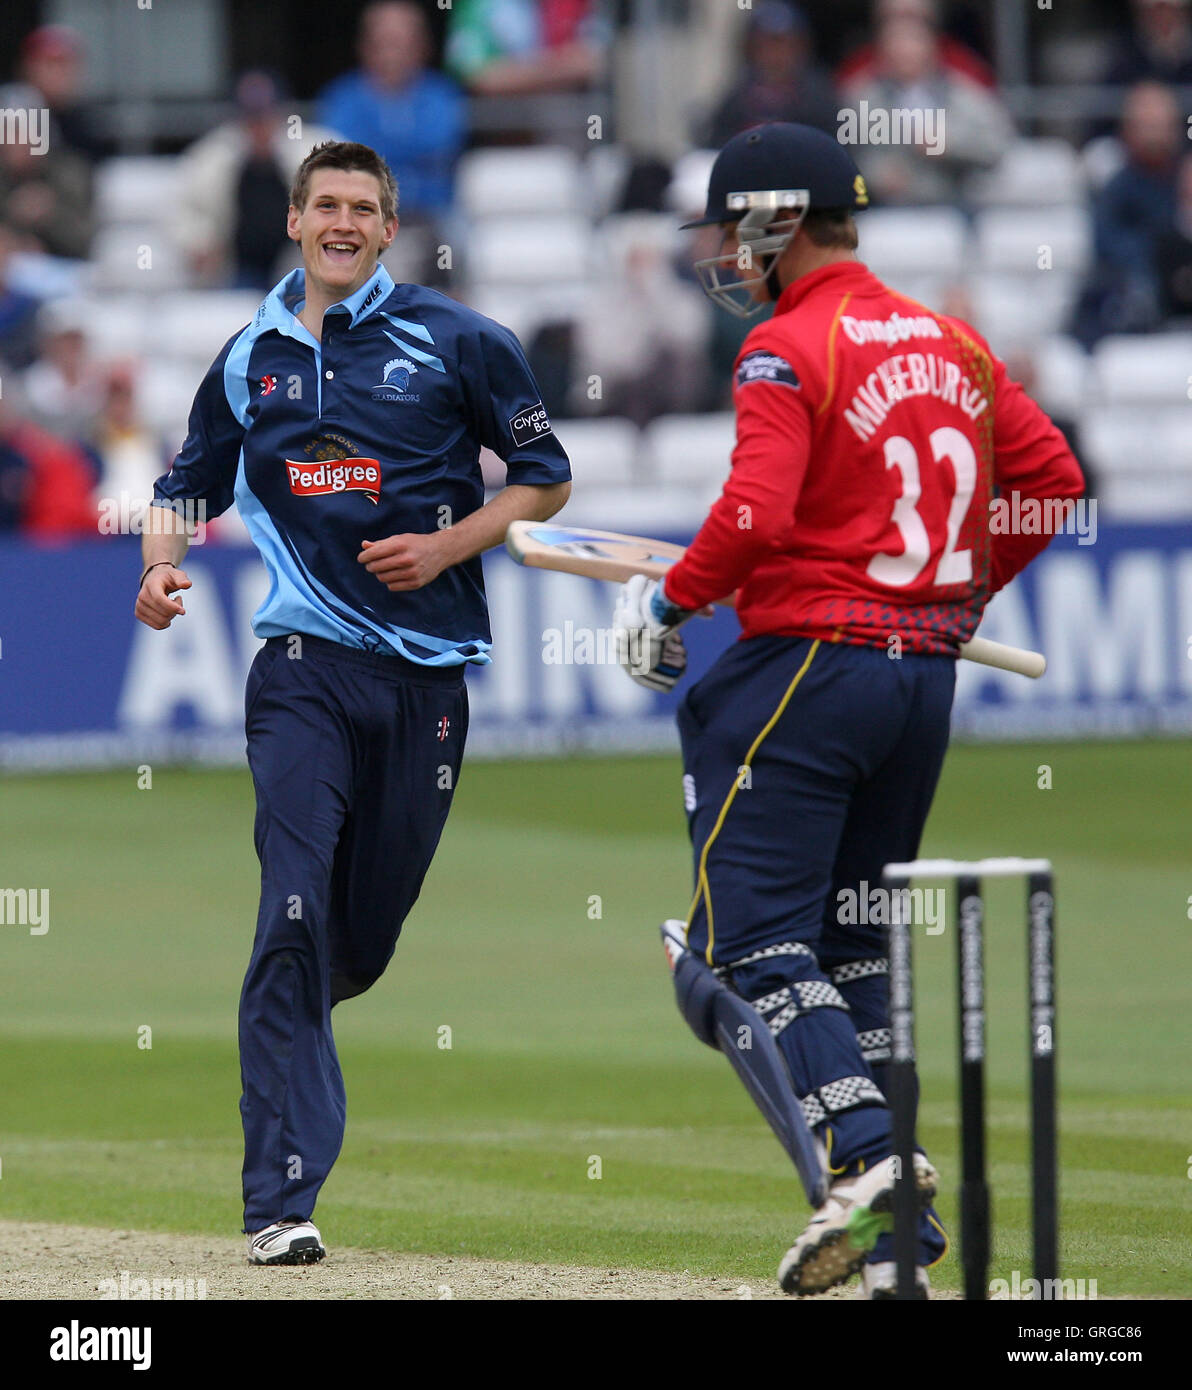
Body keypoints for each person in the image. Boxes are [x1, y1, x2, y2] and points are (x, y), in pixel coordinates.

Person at [612, 123, 1083, 1298]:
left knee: (758, 944)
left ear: (774, 222)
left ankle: (873, 1165)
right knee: (854, 943)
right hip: (916, 684)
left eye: (731, 228)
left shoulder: (785, 347)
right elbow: (1052, 482)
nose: (722, 251)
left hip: (808, 672)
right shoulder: (952, 340)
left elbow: (758, 511)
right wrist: (960, 594)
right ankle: (898, 1241)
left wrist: (668, 604)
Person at [134, 139, 571, 1266]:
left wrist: (448, 546)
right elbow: (185, 483)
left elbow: (544, 474)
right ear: (294, 220)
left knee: (354, 944)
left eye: (361, 208)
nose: (340, 222)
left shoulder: (462, 340)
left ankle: (294, 1018)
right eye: (322, 204)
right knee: (290, 908)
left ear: (386, 227)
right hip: (300, 674)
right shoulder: (248, 359)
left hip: (425, 686)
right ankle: (280, 1198)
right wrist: (159, 563)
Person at [172, 70, 340, 289]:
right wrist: (199, 242)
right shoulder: (210, 159)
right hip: (235, 273)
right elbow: (181, 211)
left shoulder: (318, 152)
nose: (259, 126)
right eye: (251, 117)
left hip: (301, 269)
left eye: (265, 115)